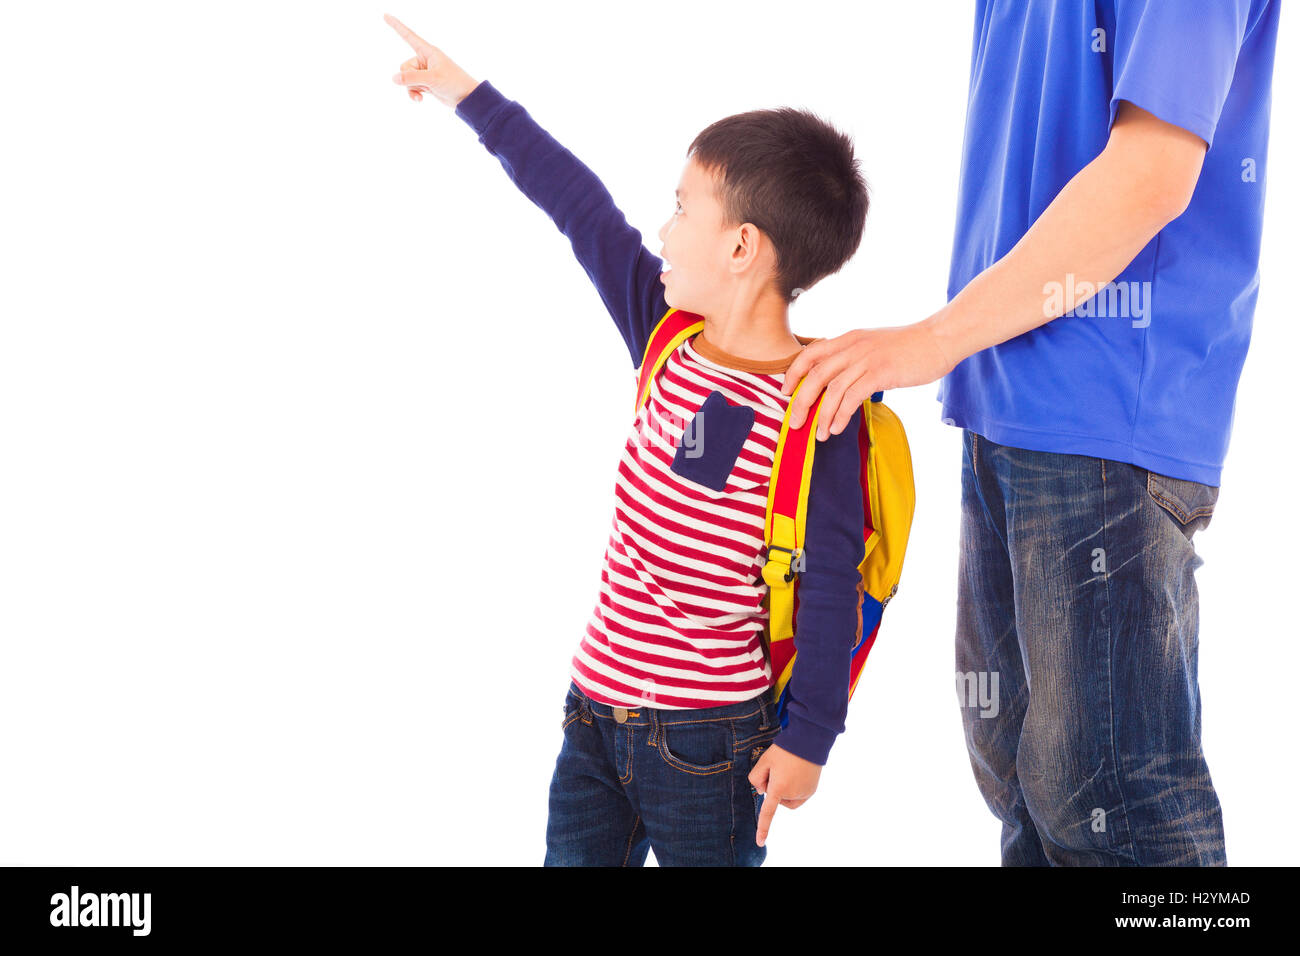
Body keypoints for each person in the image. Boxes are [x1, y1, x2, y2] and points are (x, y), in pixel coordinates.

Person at [780, 0, 1280, 865]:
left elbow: (1153, 171)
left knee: (1116, 803)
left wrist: (929, 342)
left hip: (1107, 409)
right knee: (1028, 791)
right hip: (1004, 395)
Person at [385, 14, 871, 865]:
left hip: (712, 746)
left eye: (682, 207)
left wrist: (811, 740)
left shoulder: (817, 408)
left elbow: (834, 586)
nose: (661, 228)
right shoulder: (665, 332)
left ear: (742, 247)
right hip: (593, 717)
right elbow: (579, 207)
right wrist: (469, 96)